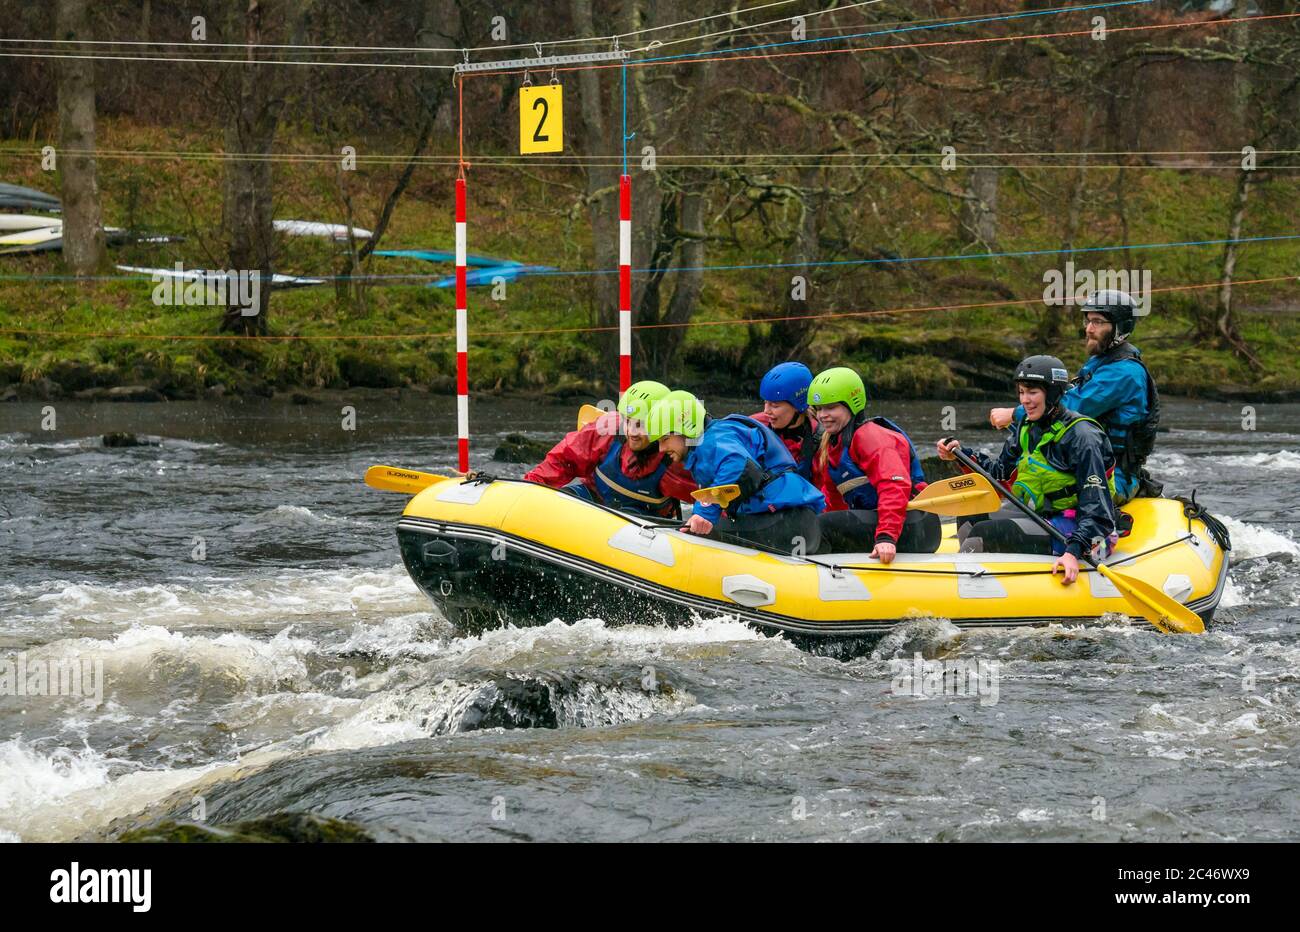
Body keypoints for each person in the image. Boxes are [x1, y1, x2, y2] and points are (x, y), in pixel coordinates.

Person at [939, 355, 1118, 585]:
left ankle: (970, 589)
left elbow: (1098, 511)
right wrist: (962, 453)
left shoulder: (1083, 437)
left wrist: (1074, 551)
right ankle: (990, 573)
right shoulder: (1027, 427)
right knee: (970, 512)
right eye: (1022, 392)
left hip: (1090, 535)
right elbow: (999, 475)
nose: (1025, 400)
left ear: (1052, 393)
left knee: (985, 534)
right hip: (1046, 517)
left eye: (1032, 392)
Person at [989, 289, 1160, 503]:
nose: (1089, 329)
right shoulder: (1101, 362)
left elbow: (1071, 408)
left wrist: (1015, 413)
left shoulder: (1123, 373)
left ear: (1120, 328)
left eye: (1098, 322)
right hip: (1079, 465)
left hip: (1112, 478)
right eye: (1088, 321)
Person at [646, 389, 826, 553]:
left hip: (785, 524)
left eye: (665, 439)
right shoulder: (717, 436)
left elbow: (739, 466)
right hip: (791, 522)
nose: (661, 449)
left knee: (694, 538)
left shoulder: (713, 441)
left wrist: (704, 512)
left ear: (686, 428)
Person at [805, 366, 939, 562]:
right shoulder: (833, 445)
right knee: (815, 523)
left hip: (914, 525)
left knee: (822, 527)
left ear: (852, 404)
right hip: (879, 522)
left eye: (831, 407)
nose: (823, 415)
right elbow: (833, 502)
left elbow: (893, 485)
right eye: (819, 409)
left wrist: (886, 537)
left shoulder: (870, 437)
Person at [523, 380, 697, 518]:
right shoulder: (606, 430)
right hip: (592, 500)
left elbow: (708, 498)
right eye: (628, 421)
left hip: (645, 522)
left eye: (641, 425)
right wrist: (528, 488)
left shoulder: (675, 458)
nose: (632, 432)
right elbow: (561, 462)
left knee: (630, 520)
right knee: (565, 498)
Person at [749, 362, 821, 484]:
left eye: (775, 405)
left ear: (798, 405)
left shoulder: (821, 440)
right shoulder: (754, 424)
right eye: (765, 402)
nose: (766, 411)